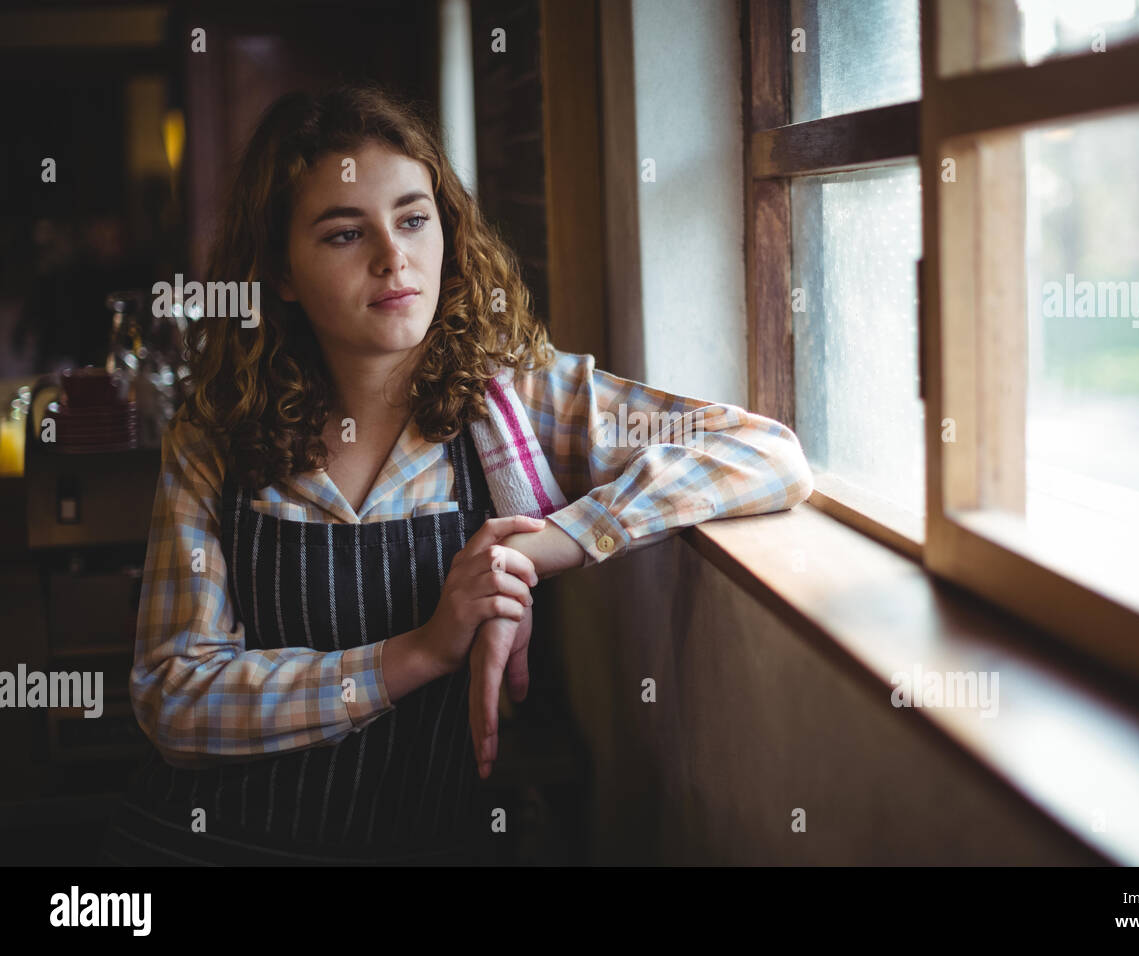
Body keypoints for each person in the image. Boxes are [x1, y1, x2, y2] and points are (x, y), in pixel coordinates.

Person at [98, 85, 814, 866]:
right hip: (209, 844)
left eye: (412, 219)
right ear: (282, 272)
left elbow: (764, 452)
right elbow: (175, 699)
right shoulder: (214, 437)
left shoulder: (520, 402)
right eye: (345, 234)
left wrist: (538, 550)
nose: (392, 258)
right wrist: (418, 653)